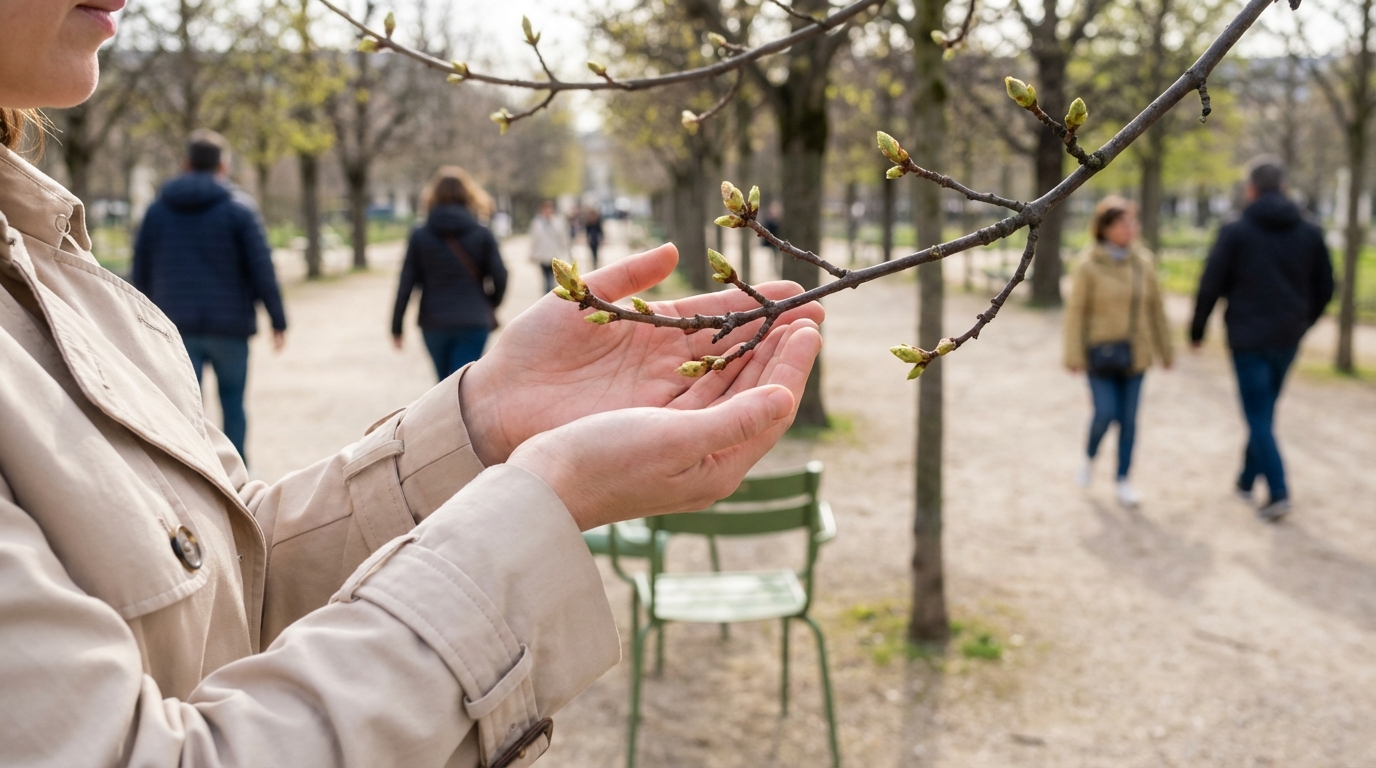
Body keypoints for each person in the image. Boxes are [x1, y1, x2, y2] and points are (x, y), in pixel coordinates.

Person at [0, 3, 825, 765]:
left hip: (343, 324)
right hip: (324, 322)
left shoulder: (56, 261)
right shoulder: (98, 253)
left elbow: (229, 591)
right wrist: (532, 505)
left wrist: (482, 421)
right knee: (237, 407)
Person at [1190, 158, 1334, 522]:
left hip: (1247, 338)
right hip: (1288, 337)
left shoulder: (1235, 229)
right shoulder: (1310, 230)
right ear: (1284, 187)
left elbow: (1211, 283)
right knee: (1264, 412)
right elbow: (1326, 287)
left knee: (1258, 416)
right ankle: (1245, 479)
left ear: (1251, 189)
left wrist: (1197, 330)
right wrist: (1304, 323)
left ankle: (1279, 492)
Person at [131, 129, 287, 462]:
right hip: (230, 327)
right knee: (233, 403)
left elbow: (139, 271)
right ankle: (238, 477)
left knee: (184, 409)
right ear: (223, 166)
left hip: (174, 328)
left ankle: (193, 471)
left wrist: (138, 323)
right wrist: (278, 320)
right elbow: (262, 268)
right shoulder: (240, 210)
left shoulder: (157, 211)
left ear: (185, 164)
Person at [1063, 196, 1174, 507]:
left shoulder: (1144, 262)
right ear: (1105, 228)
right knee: (1105, 413)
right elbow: (1076, 312)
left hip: (1136, 353)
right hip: (1099, 354)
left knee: (1129, 421)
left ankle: (1123, 479)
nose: (1130, 229)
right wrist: (1073, 355)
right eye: (1123, 224)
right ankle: (1089, 457)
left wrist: (1166, 350)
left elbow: (1156, 308)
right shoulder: (1088, 265)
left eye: (1133, 223)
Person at [392, 166, 508, 380]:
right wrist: (489, 304)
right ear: (469, 195)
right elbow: (500, 276)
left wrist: (396, 326)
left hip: (434, 322)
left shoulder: (420, 235)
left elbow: (406, 283)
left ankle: (446, 403)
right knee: (464, 384)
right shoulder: (482, 233)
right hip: (473, 320)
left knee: (444, 384)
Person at [529, 199, 570, 292]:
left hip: (555, 255)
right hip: (543, 256)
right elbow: (534, 240)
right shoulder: (537, 223)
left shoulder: (558, 222)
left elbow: (563, 238)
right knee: (546, 278)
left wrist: (565, 252)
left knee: (552, 278)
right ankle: (548, 293)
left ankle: (551, 293)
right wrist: (533, 254)